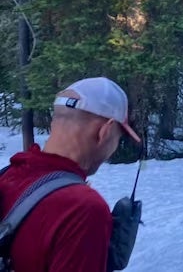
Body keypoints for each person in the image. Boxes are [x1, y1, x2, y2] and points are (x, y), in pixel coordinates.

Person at [0, 77, 141, 272]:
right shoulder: (82, 208)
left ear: (54, 124)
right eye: (118, 137)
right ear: (105, 132)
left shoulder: (8, 175)